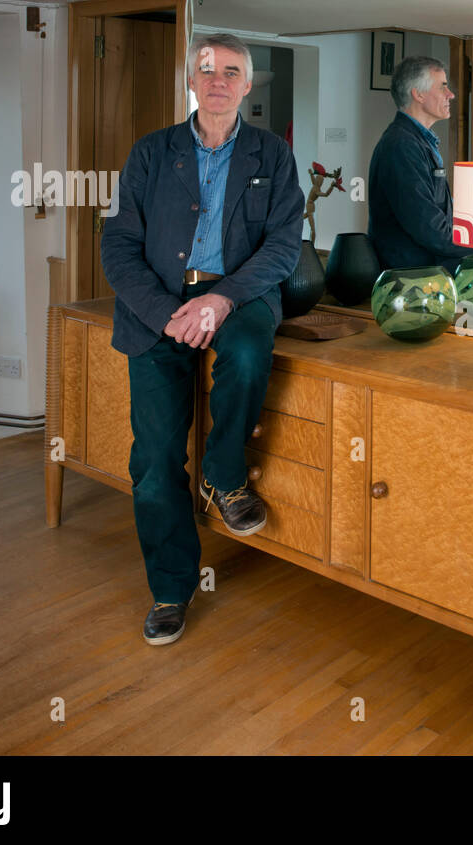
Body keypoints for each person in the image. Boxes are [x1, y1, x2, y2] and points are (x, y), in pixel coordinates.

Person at [101, 33, 305, 646]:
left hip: (237, 294)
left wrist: (220, 299)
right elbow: (117, 248)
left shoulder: (273, 154)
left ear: (248, 85)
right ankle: (170, 588)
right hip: (158, 303)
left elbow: (283, 247)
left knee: (244, 353)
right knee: (155, 461)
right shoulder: (150, 153)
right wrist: (169, 315)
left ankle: (224, 473)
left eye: (232, 71)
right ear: (191, 81)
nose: (218, 80)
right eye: (207, 70)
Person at [368, 56, 473, 270]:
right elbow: (431, 230)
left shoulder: (417, 142)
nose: (451, 95)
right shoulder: (401, 146)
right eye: (443, 87)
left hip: (434, 268)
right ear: (418, 94)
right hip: (416, 279)